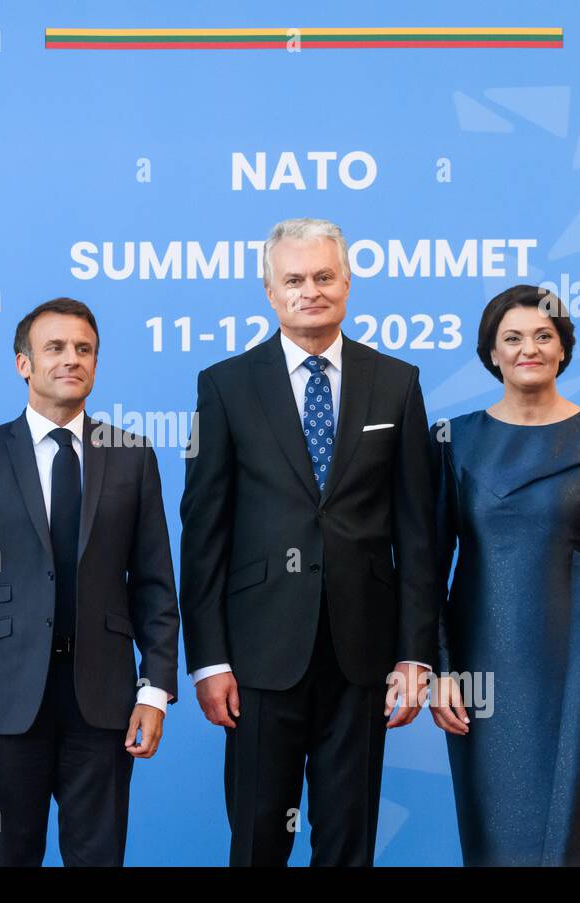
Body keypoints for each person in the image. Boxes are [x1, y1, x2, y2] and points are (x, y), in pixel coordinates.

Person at [179, 218, 439, 866]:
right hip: (259, 657)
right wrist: (208, 659)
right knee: (259, 840)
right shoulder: (225, 386)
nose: (310, 291)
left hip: (363, 656)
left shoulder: (397, 383)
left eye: (324, 276)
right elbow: (203, 531)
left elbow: (418, 530)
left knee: (348, 843)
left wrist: (415, 653)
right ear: (270, 290)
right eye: (294, 279)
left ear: (347, 282)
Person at [0, 296, 179, 866]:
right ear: (24, 363)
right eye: (55, 348)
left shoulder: (132, 456)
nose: (72, 359)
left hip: (105, 701)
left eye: (84, 349)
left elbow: (156, 585)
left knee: (99, 858)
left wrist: (155, 690)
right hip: (3, 703)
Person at [428, 284, 580, 866]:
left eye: (543, 336)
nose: (529, 348)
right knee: (494, 842)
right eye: (513, 338)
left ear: (563, 349)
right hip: (481, 677)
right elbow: (426, 568)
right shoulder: (453, 440)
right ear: (492, 353)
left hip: (577, 669)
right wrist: (441, 671)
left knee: (571, 843)